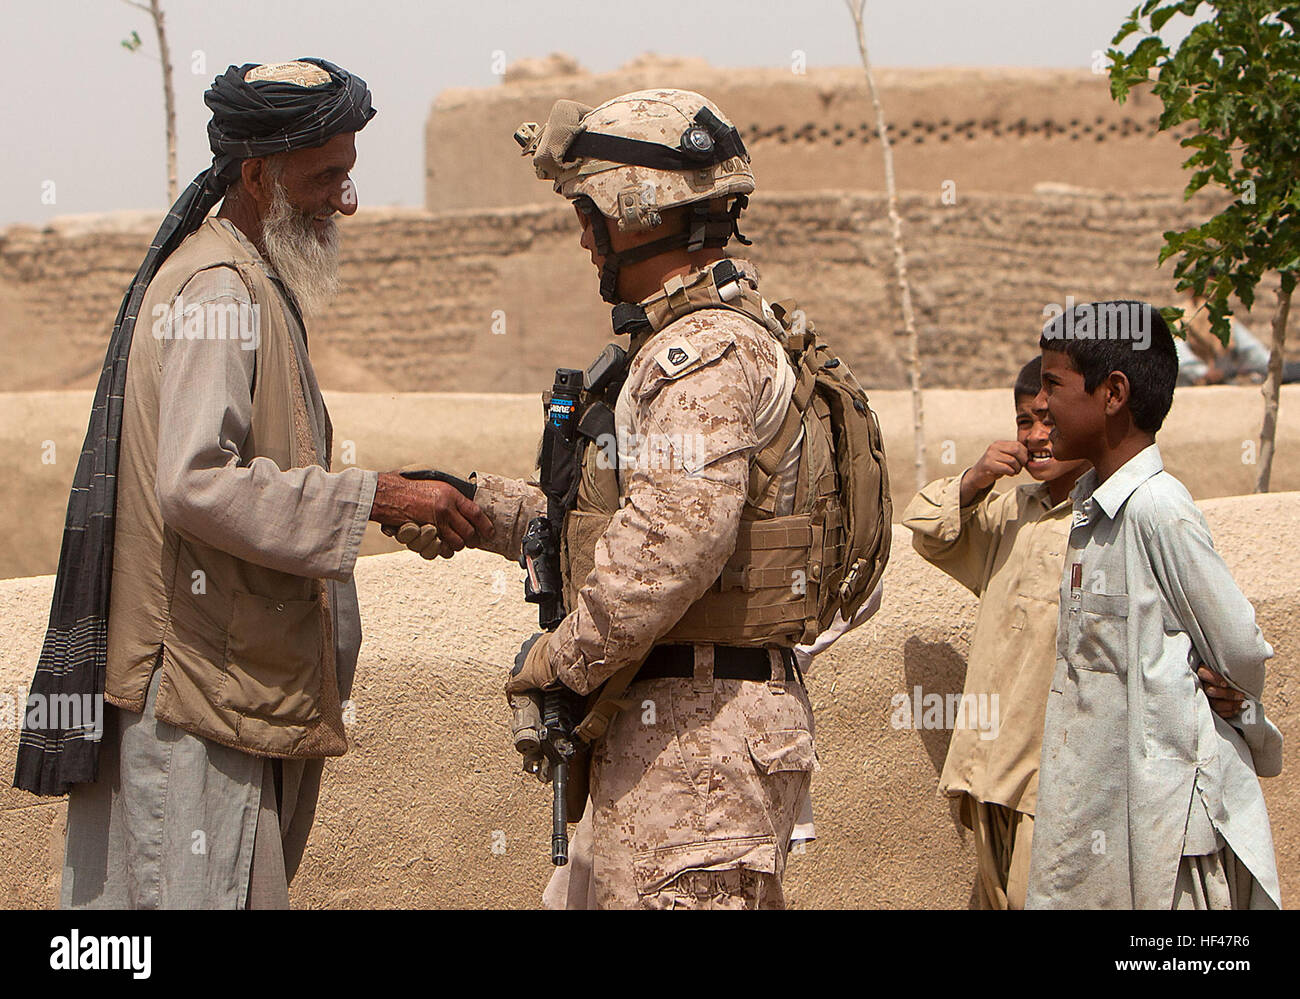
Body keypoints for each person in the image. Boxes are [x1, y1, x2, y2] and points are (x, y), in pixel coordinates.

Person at [392, 89, 887, 908]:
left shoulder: (702, 355)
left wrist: (560, 661)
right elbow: (628, 522)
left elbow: (670, 544)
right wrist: (472, 503)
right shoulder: (693, 343)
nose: (586, 240)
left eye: (591, 213)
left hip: (699, 761)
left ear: (637, 212)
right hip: (679, 739)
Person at [16, 59, 491, 910]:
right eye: (326, 176)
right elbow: (197, 483)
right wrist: (372, 497)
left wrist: (382, 490)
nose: (345, 199)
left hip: (229, 697)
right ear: (256, 174)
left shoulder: (249, 279)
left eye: (348, 173)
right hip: (194, 706)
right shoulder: (218, 290)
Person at [1027, 300, 1282, 909]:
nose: (1040, 407)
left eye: (1052, 385)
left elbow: (1241, 648)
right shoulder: (1092, 513)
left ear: (1112, 393)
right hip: (1103, 814)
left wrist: (1233, 690)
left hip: (1166, 834)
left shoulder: (1158, 509)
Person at [901, 357, 1089, 909]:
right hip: (991, 770)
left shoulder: (1105, 521)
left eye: (1049, 421)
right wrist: (976, 478)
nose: (1035, 437)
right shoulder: (1011, 511)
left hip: (1052, 778)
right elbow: (930, 532)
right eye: (1024, 423)